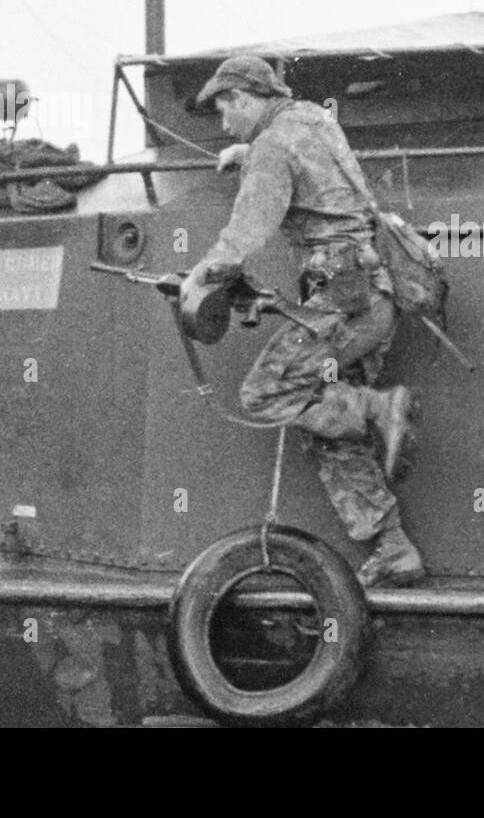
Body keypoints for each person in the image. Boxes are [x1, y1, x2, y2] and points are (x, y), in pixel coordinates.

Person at [182, 55, 423, 588]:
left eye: (228, 111)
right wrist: (249, 153)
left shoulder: (272, 148)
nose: (224, 124)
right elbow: (318, 169)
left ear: (246, 99)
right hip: (373, 294)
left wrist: (201, 275)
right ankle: (393, 547)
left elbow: (245, 233)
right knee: (328, 423)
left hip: (339, 306)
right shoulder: (313, 118)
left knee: (265, 393)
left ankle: (381, 408)